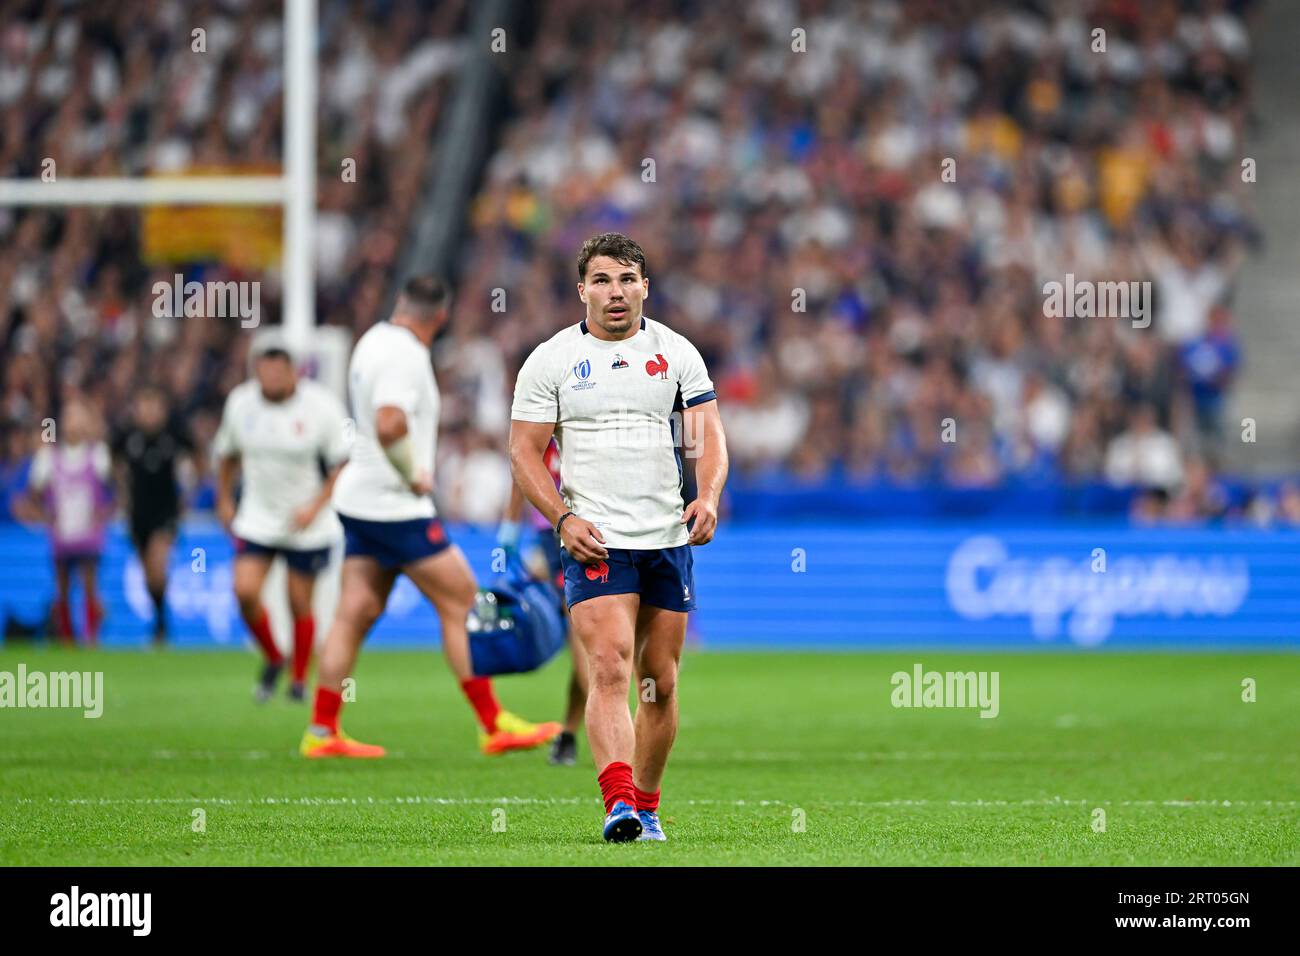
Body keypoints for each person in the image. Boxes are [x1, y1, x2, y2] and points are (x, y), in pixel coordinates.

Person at [509, 233, 728, 842]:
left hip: (665, 536)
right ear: (581, 289)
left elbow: (707, 437)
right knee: (608, 669)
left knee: (661, 681)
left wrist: (706, 496)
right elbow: (524, 453)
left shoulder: (676, 352)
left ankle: (648, 806)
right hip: (595, 538)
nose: (615, 292)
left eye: (627, 279)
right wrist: (562, 519)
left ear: (645, 287)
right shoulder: (550, 360)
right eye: (602, 280)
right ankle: (619, 806)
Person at [301, 276, 561, 758]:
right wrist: (413, 473)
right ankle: (493, 723)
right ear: (439, 317)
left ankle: (321, 730)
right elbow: (389, 422)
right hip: (394, 505)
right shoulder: (406, 355)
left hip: (359, 502)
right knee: (463, 603)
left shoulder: (372, 341)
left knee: (354, 611)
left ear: (400, 303)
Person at [214, 344, 349, 702]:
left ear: (293, 373)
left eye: (278, 372)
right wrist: (224, 498)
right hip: (257, 517)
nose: (270, 379)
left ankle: (299, 680)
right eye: (263, 372)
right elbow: (227, 456)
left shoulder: (321, 407)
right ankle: (274, 658)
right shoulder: (240, 403)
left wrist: (316, 506)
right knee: (244, 592)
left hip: (307, 522)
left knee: (298, 601)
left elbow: (342, 464)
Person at [497, 436, 589, 766]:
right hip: (556, 530)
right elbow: (524, 460)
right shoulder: (549, 400)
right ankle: (615, 734)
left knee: (595, 637)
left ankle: (568, 733)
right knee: (586, 629)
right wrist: (510, 525)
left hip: (602, 520)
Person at [110, 385, 199, 645]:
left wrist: (190, 493)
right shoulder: (127, 436)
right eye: (143, 406)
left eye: (154, 406)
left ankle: (161, 625)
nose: (149, 413)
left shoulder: (174, 434)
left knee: (158, 567)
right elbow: (114, 463)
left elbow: (198, 457)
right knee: (149, 576)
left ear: (163, 409)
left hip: (166, 512)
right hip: (137, 514)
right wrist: (122, 493)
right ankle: (161, 620)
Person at [23, 398, 113, 646]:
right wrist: (43, 516)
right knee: (62, 587)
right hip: (61, 535)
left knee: (89, 585)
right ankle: (66, 638)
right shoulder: (48, 457)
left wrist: (104, 515)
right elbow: (34, 492)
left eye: (78, 417)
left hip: (89, 533)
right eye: (69, 417)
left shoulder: (98, 454)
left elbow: (113, 489)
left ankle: (90, 638)